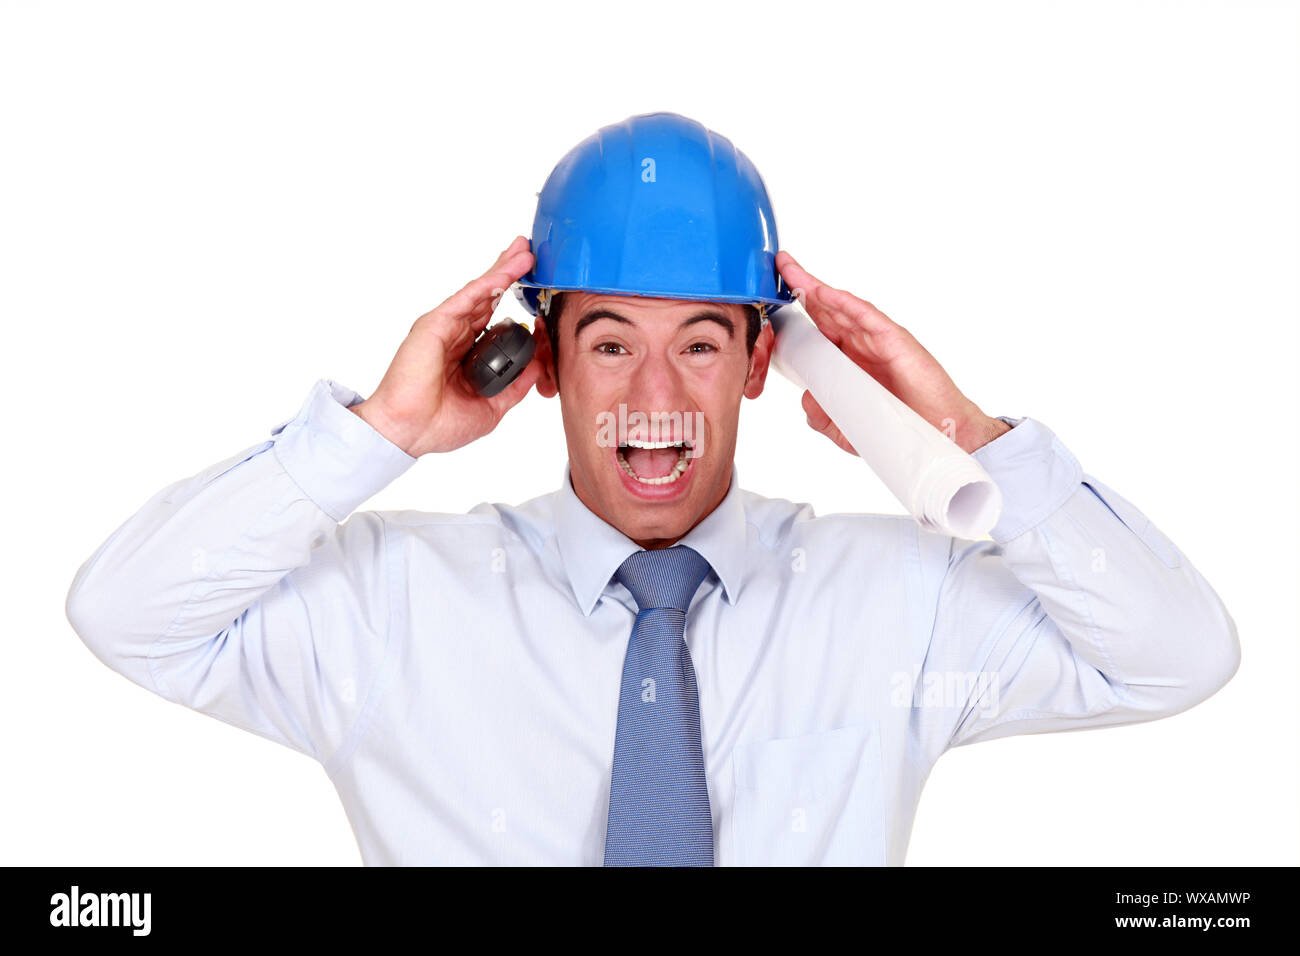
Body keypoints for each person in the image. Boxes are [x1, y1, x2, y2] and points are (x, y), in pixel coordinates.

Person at [64, 112, 1240, 866]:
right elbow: (128, 613)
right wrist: (379, 432)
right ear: (540, 362)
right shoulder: (391, 608)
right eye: (613, 341)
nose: (656, 391)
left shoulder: (893, 599)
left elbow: (1175, 653)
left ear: (760, 362)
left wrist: (964, 431)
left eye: (701, 343)